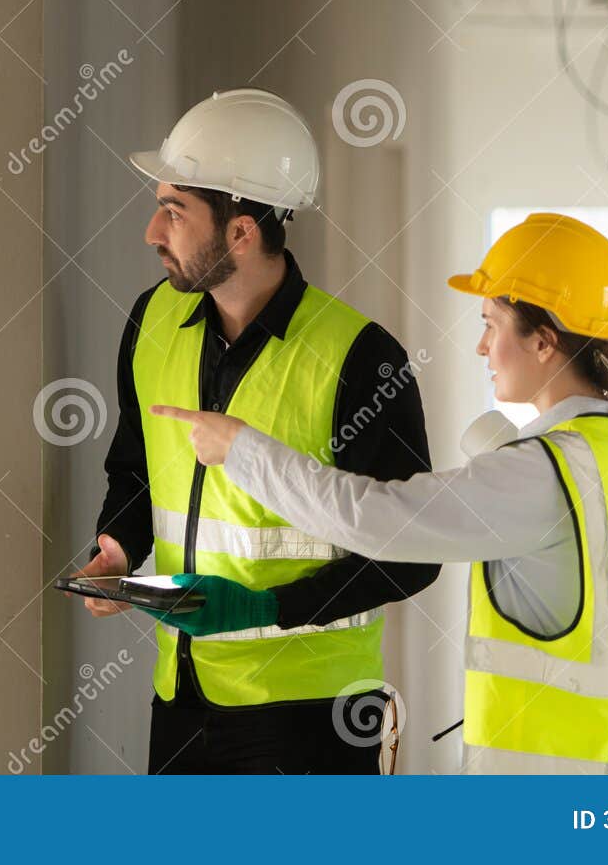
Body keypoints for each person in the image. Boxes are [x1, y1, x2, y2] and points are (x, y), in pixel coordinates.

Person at [148, 212, 608, 774]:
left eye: (491, 325)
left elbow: (377, 519)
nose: (481, 347)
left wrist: (246, 451)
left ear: (544, 341)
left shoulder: (541, 473)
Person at [75, 88, 439, 774]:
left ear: (240, 231)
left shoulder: (361, 359)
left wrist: (268, 607)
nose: (153, 233)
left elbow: (414, 553)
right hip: (183, 698)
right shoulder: (152, 322)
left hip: (312, 712)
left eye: (174, 212)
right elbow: (135, 469)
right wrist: (119, 548)